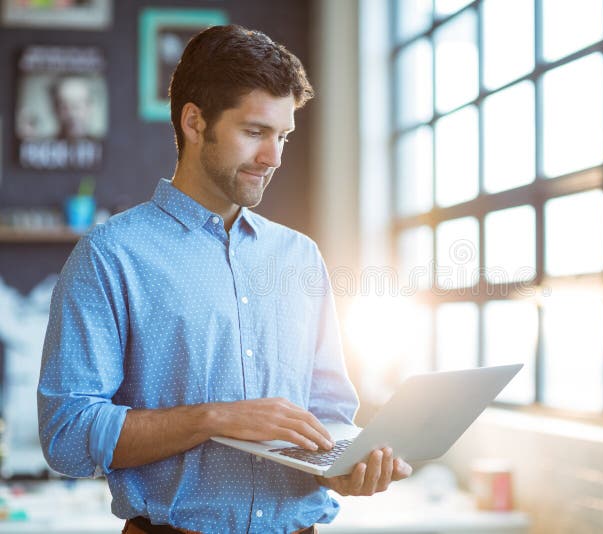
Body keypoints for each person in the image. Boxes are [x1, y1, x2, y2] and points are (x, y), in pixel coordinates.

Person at [37, 25, 411, 534]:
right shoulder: (110, 254)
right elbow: (67, 435)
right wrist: (213, 419)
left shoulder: (300, 257)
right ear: (194, 122)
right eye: (255, 132)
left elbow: (328, 417)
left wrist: (345, 469)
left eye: (282, 136)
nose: (274, 157)